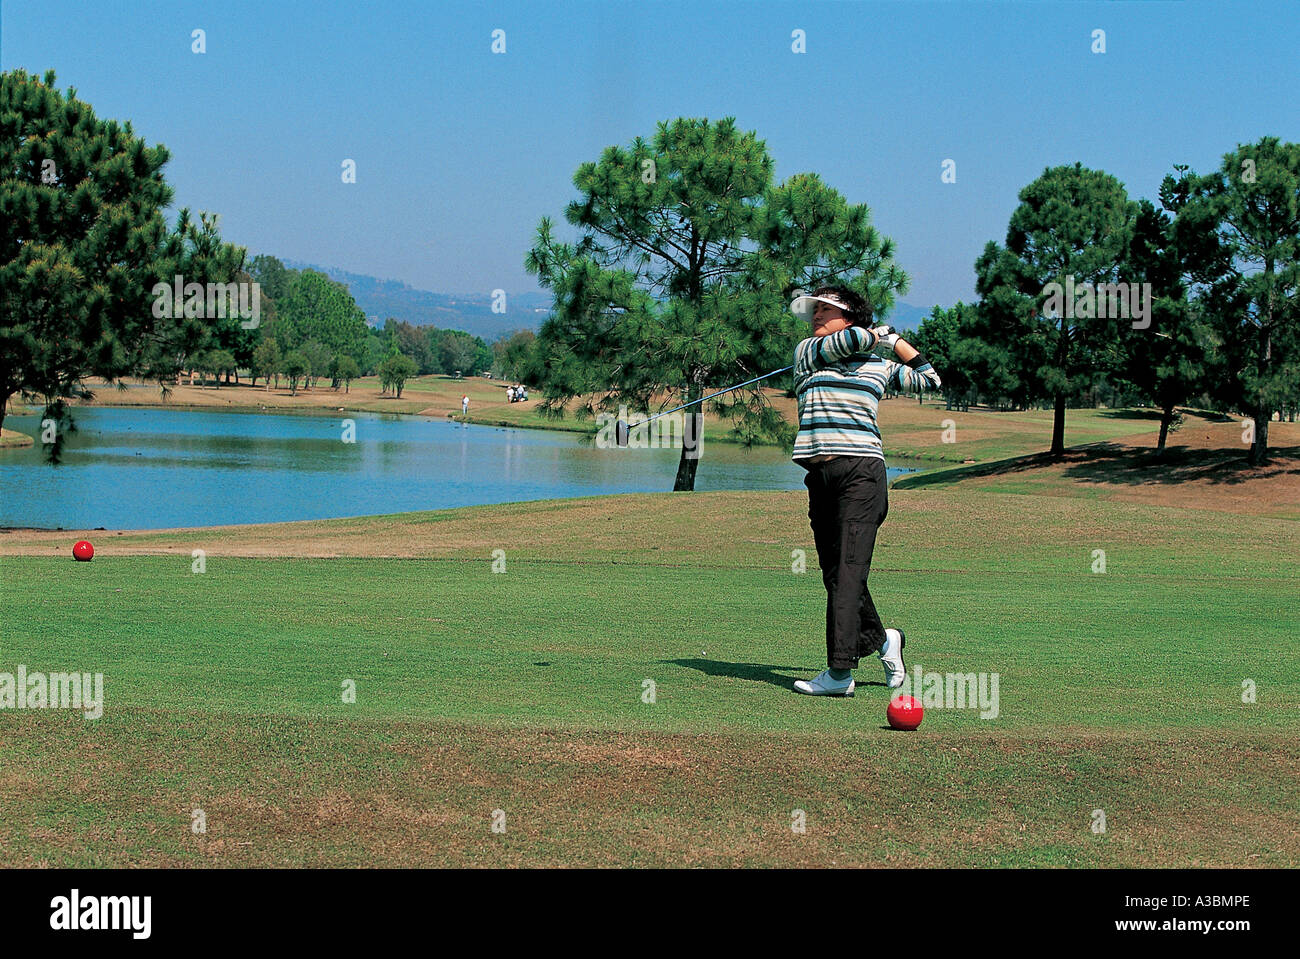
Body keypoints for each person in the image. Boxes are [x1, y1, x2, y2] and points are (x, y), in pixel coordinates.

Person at [788, 286, 942, 697]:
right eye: (815, 310)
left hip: (862, 474)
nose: (817, 316)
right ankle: (885, 640)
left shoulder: (878, 367)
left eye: (827, 310)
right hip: (819, 477)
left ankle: (839, 673)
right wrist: (875, 334)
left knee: (849, 572)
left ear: (852, 315)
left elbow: (930, 380)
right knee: (837, 573)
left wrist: (894, 342)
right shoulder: (808, 352)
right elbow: (853, 339)